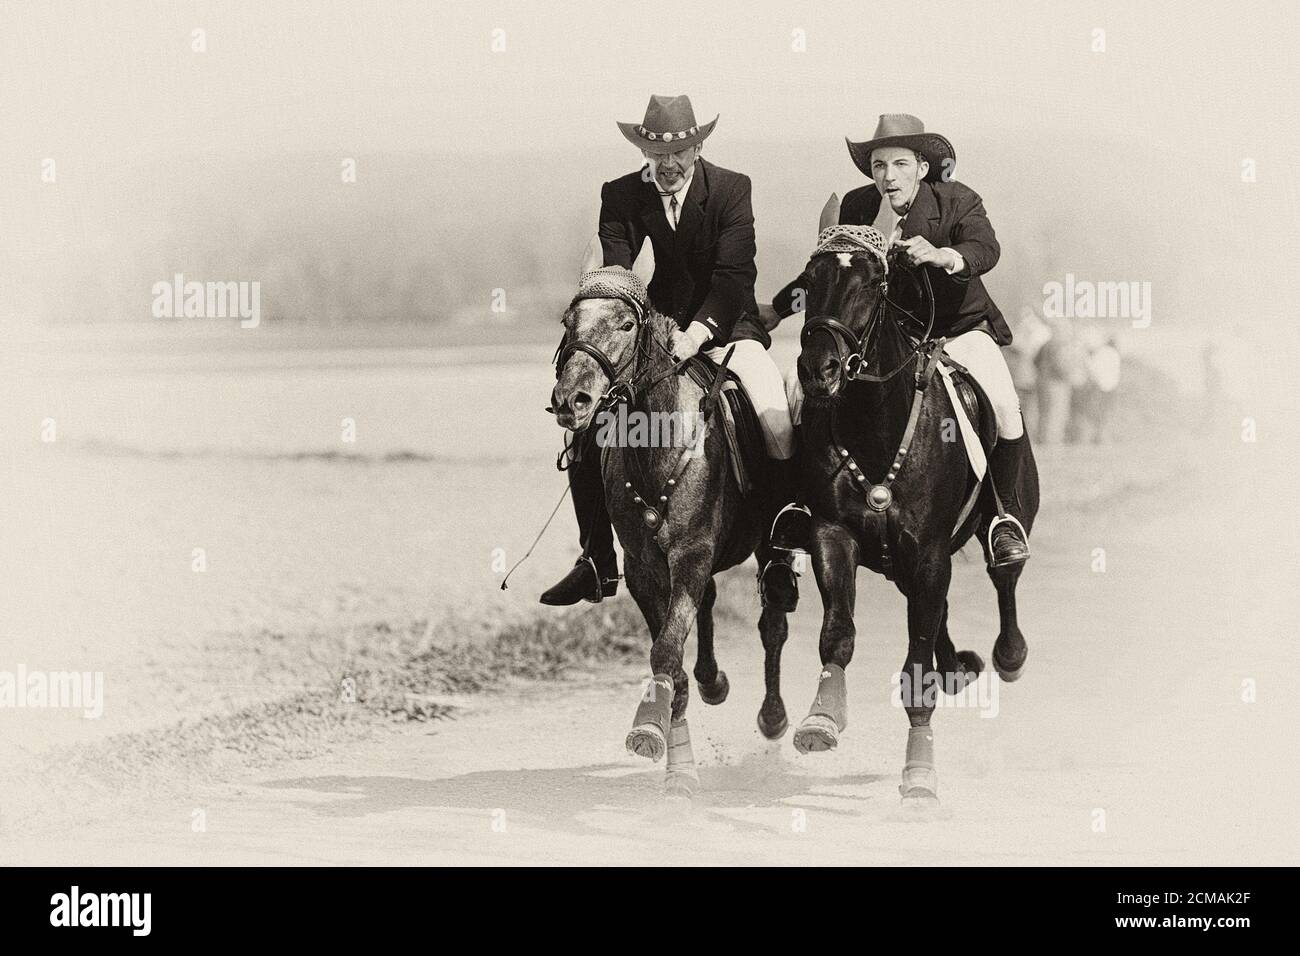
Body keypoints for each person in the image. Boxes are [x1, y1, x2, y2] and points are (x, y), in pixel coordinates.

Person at [541, 95, 805, 609]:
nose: (667, 164)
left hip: (728, 326)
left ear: (697, 146)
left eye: (679, 152)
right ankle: (597, 559)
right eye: (656, 153)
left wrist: (698, 334)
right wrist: (614, 321)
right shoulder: (619, 194)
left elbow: (734, 277)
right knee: (593, 423)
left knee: (774, 414)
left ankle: (778, 548)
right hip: (657, 330)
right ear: (643, 150)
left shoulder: (731, 189)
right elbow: (619, 274)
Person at [784, 114, 1035, 567]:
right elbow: (830, 277)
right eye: (879, 165)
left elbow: (986, 248)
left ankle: (1003, 517)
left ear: (922, 167)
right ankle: (802, 506)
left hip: (958, 330)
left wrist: (945, 255)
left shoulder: (959, 200)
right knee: (805, 390)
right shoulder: (856, 208)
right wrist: (779, 309)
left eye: (899, 164)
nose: (888, 176)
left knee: (1002, 403)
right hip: (889, 340)